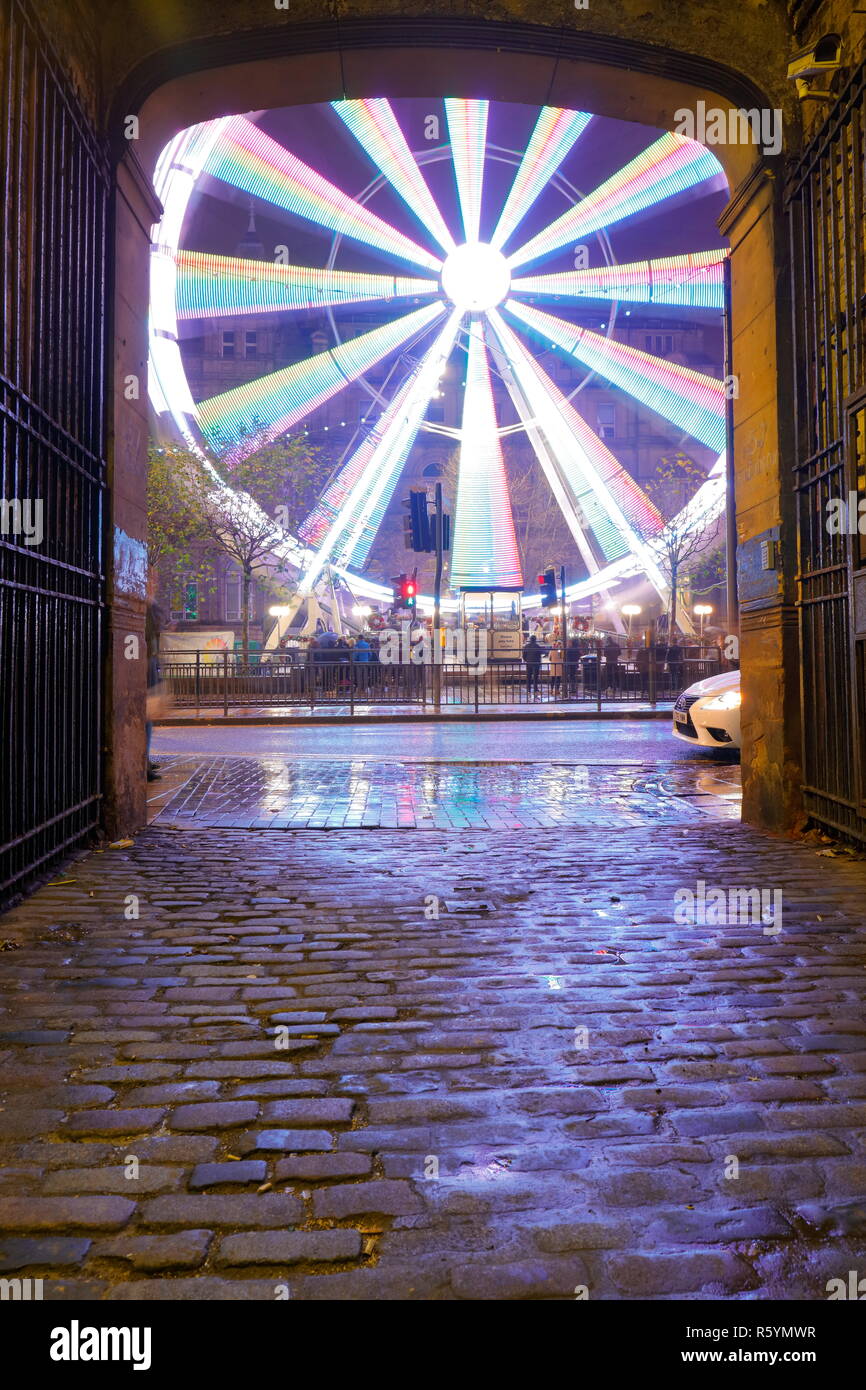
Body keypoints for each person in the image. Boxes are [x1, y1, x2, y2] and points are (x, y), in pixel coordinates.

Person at [523, 634, 543, 699]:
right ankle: (535, 689)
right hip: (536, 663)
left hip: (529, 663)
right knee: (535, 677)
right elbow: (540, 655)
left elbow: (524, 655)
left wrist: (526, 660)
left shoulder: (526, 646)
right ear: (535, 640)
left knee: (528, 676)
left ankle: (528, 689)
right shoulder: (537, 646)